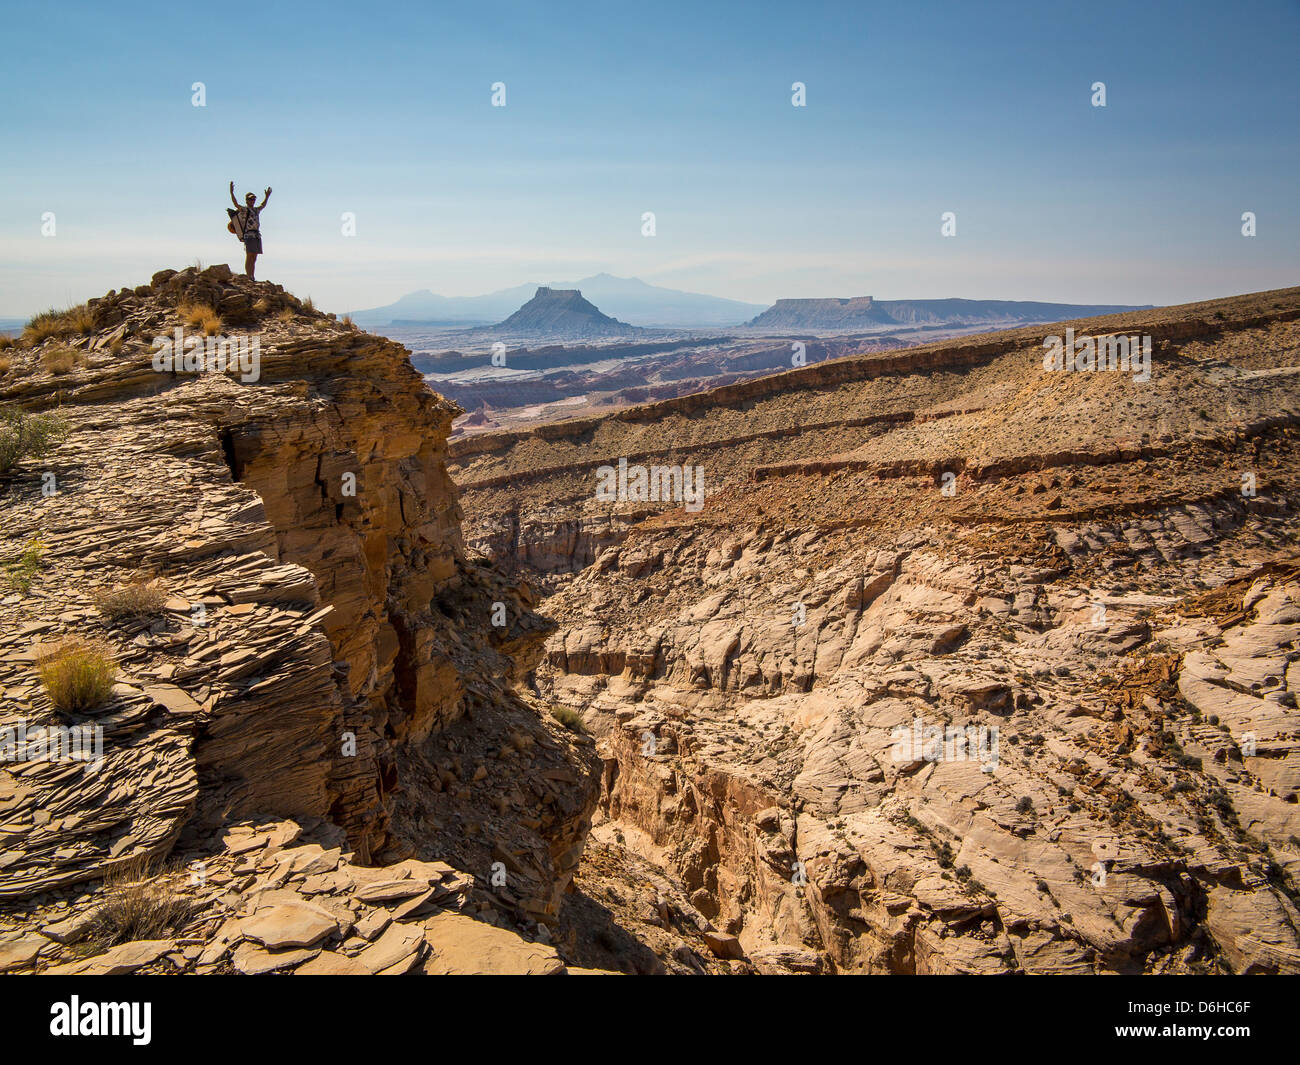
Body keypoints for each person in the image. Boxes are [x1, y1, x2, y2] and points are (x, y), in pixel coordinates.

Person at [229, 182, 272, 280]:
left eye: (253, 199)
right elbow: (235, 204)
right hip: (249, 235)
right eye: (250, 199)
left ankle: (252, 276)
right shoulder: (244, 210)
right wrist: (232, 193)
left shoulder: (256, 210)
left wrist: (267, 197)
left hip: (257, 235)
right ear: (247, 200)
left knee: (254, 258)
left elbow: (263, 205)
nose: (252, 200)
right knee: (249, 256)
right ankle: (249, 276)